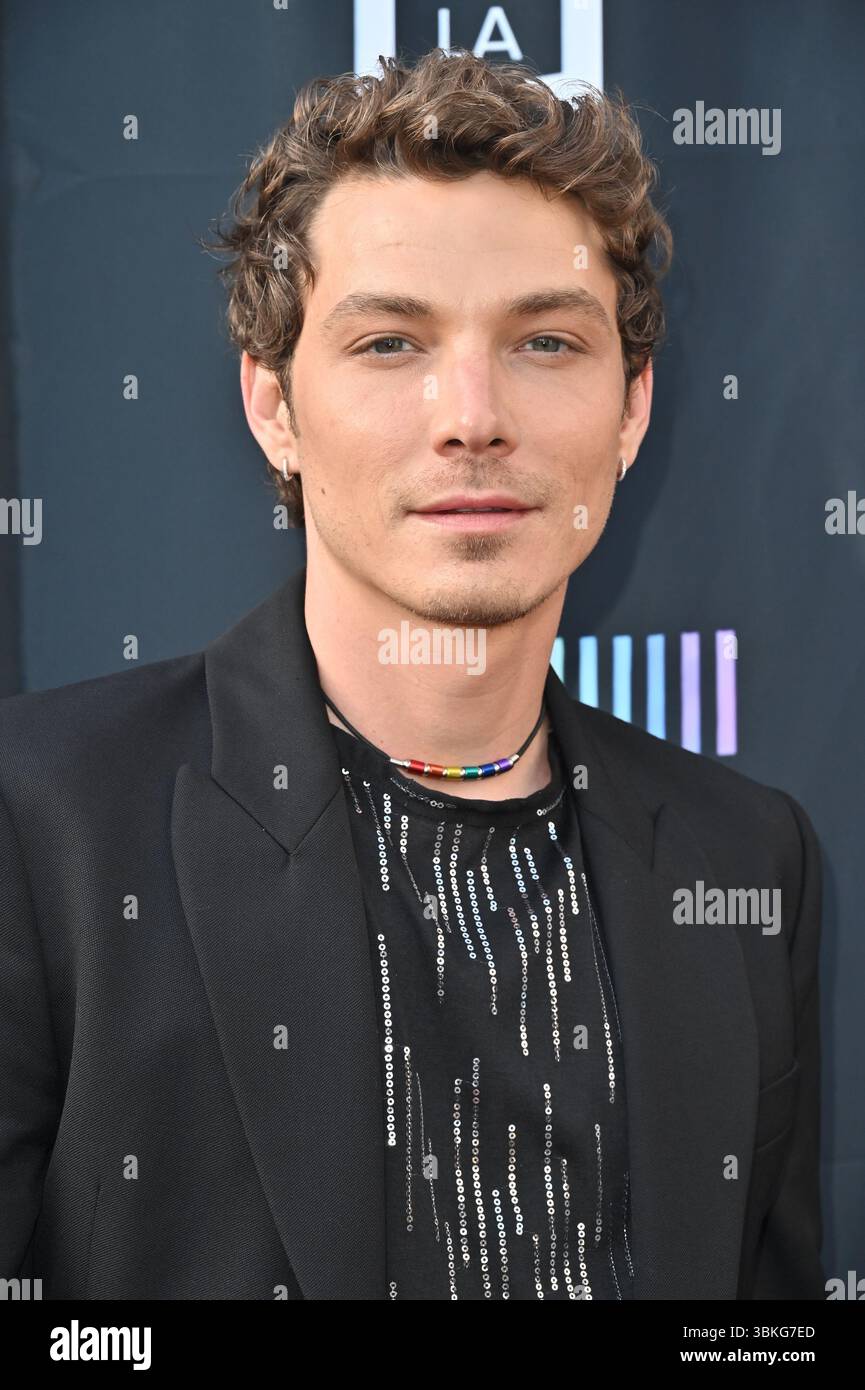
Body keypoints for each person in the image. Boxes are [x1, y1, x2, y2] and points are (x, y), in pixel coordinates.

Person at [0, 48, 823, 1300]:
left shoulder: (745, 860)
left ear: (633, 406)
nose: (471, 412)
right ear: (274, 406)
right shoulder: (40, 821)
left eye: (546, 340)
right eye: (390, 342)